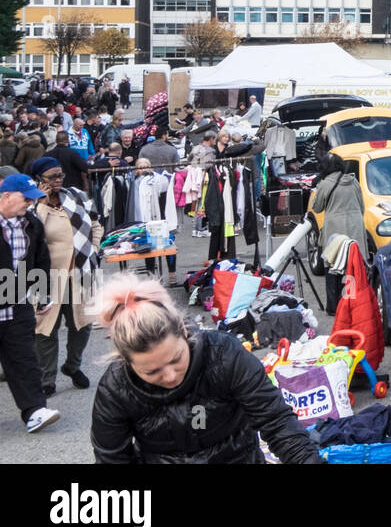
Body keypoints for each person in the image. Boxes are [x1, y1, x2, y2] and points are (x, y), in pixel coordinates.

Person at [90, 273, 324, 463]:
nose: (170, 376)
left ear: (183, 330)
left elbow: (277, 422)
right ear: (126, 362)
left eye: (175, 359)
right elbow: (112, 459)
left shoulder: (225, 354)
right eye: (152, 372)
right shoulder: (115, 389)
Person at [29, 156, 102, 396]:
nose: (58, 180)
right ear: (39, 179)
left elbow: (95, 222)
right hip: (47, 275)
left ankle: (73, 366)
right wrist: (40, 201)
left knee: (83, 323)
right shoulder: (31, 204)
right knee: (46, 327)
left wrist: (95, 247)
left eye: (60, 175)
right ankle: (46, 378)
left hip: (82, 271)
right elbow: (32, 232)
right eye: (52, 177)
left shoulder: (76, 196)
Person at [0, 173, 61, 432]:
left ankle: (35, 410)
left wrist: (42, 292)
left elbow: (41, 261)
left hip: (18, 305)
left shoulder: (31, 224)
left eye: (31, 199)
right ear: (5, 196)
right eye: (25, 198)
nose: (28, 203)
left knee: (24, 360)